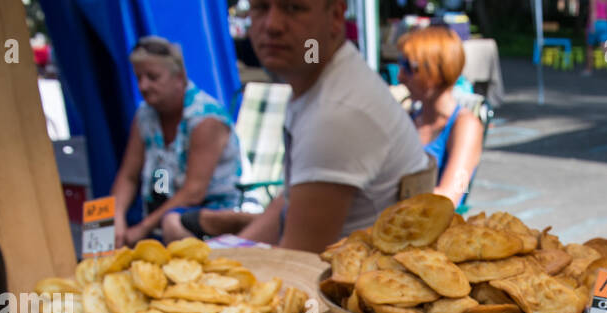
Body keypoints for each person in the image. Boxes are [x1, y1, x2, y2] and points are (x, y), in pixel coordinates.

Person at [166, 0, 429, 251]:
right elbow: (291, 200)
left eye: (294, 8)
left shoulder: (335, 112)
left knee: (174, 229)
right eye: (260, 7)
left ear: (336, 16)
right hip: (329, 264)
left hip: (333, 286)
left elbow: (295, 261)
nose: (272, 25)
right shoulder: (320, 80)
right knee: (177, 223)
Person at [110, 36, 241, 245]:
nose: (143, 86)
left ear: (179, 78)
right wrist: (115, 217)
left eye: (152, 77)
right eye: (138, 77)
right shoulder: (145, 115)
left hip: (207, 217)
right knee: (100, 225)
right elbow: (128, 176)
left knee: (172, 225)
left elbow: (193, 192)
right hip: (157, 214)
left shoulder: (206, 117)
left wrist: (142, 228)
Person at [398, 25, 483, 209]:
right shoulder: (409, 117)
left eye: (408, 68)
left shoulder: (466, 126)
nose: (400, 76)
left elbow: (451, 196)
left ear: (436, 71)